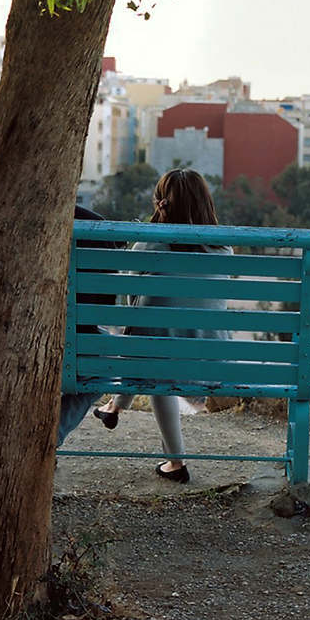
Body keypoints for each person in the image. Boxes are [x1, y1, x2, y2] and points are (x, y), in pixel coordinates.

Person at [92, 168, 230, 483]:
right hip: (213, 362)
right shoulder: (225, 249)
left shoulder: (147, 247)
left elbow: (130, 308)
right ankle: (114, 407)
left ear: (161, 204)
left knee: (151, 351)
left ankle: (176, 462)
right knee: (154, 346)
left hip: (157, 361)